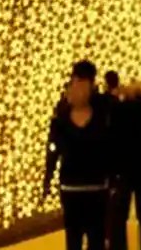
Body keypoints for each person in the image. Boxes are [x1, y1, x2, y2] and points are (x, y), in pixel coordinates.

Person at [44, 60, 113, 250]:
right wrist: (48, 178)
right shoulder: (60, 120)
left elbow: (111, 148)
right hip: (71, 188)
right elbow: (53, 151)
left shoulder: (103, 114)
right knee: (73, 239)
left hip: (96, 188)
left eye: (83, 82)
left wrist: (113, 177)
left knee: (96, 239)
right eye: (75, 82)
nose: (78, 88)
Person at [111, 80, 141, 250]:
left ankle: (119, 246)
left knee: (119, 215)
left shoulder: (119, 110)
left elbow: (113, 138)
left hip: (123, 167)